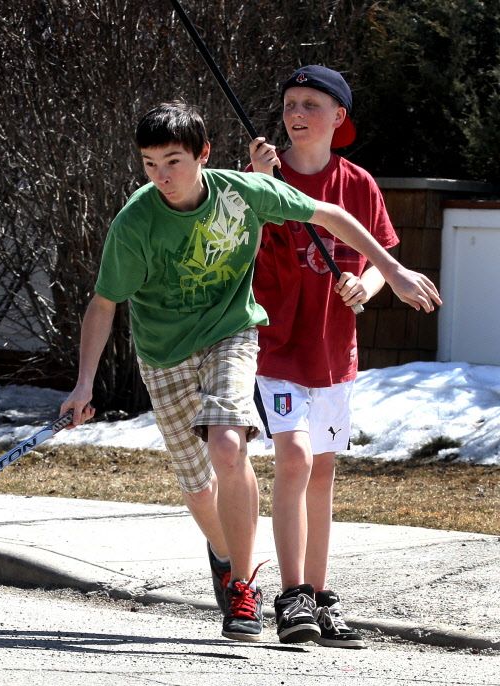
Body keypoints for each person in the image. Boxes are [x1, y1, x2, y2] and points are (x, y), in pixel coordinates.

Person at [60, 101, 440, 643]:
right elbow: (103, 304)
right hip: (163, 353)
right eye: (149, 164)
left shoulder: (242, 194)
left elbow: (329, 215)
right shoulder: (136, 221)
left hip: (230, 334)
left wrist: (392, 269)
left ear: (204, 155)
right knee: (196, 486)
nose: (162, 176)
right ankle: (223, 552)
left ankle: (242, 585)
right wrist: (83, 383)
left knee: (229, 448)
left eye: (172, 161)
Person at [247, 65, 437, 648]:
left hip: (334, 353)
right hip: (277, 348)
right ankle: (291, 596)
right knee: (296, 460)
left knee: (324, 472)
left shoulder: (358, 184)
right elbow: (242, 251)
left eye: (309, 104)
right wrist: (258, 185)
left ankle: (320, 598)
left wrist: (368, 287)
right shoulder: (261, 177)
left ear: (338, 118)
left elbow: (377, 263)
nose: (295, 114)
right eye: (289, 104)